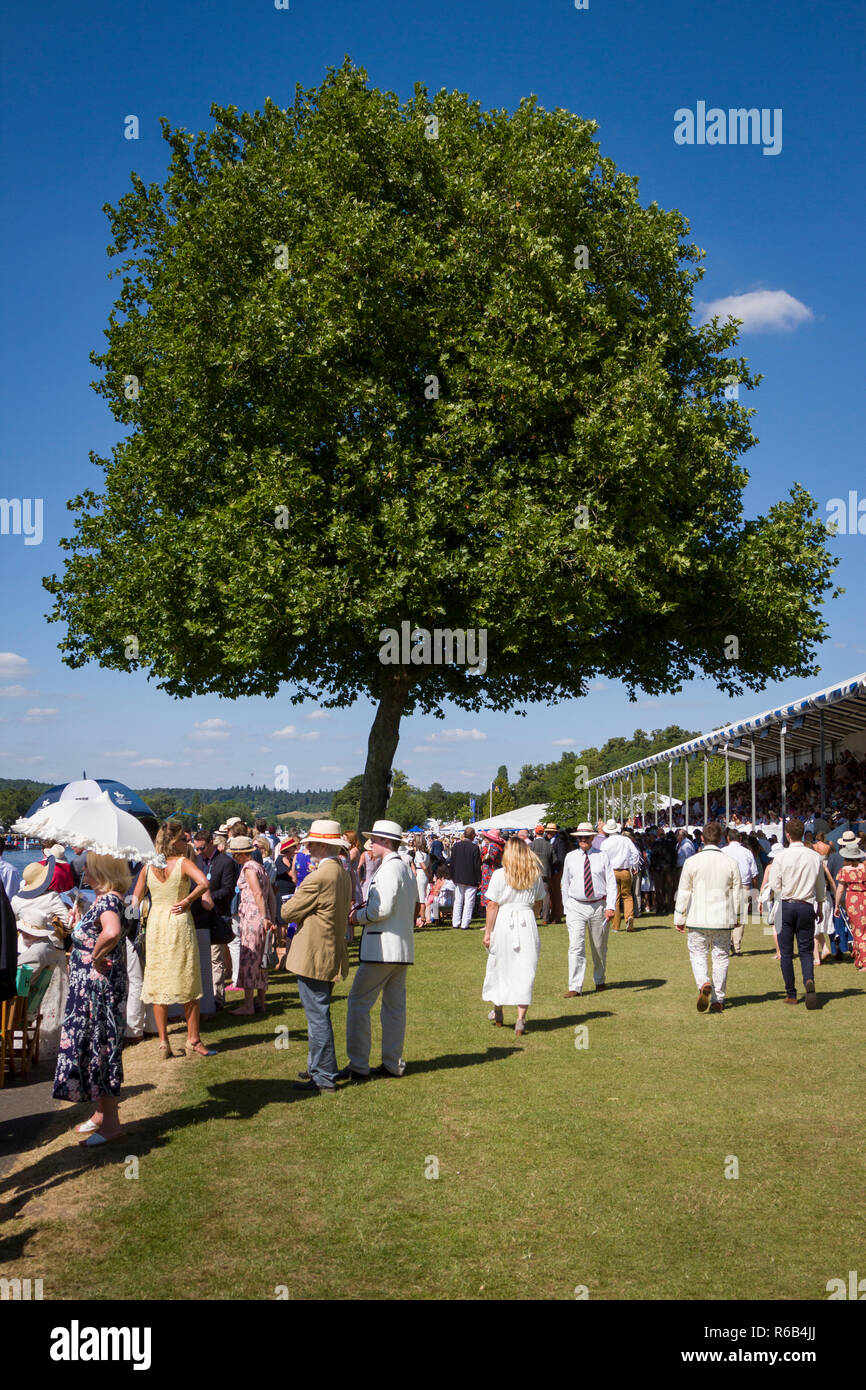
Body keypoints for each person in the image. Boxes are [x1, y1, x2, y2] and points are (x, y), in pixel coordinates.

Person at [52, 852, 131, 1146]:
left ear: (100, 869)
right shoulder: (103, 899)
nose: (83, 868)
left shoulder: (109, 900)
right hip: (94, 988)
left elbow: (111, 931)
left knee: (101, 1049)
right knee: (97, 1047)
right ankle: (101, 1114)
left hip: (98, 991)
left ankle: (111, 1125)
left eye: (88, 864)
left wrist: (96, 955)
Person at [340, 819, 416, 1081]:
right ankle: (392, 1063)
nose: (369, 844)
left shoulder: (389, 870)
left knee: (359, 1003)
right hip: (400, 949)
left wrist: (355, 917)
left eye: (373, 839)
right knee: (394, 1008)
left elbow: (380, 910)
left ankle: (359, 1065)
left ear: (385, 842)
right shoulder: (403, 868)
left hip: (382, 949)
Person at [132, 820, 215, 1057]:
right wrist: (188, 900)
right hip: (178, 920)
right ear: (173, 841)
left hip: (156, 924)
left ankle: (163, 1041)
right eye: (183, 839)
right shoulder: (183, 863)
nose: (186, 842)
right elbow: (204, 883)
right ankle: (193, 1039)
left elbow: (135, 901)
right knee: (187, 977)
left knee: (159, 979)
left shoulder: (148, 867)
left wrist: (135, 913)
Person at [281, 820, 351, 1093]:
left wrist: (296, 898)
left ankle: (323, 1075)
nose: (307, 848)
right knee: (318, 1013)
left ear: (323, 845)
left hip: (315, 954)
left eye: (310, 844)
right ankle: (318, 1068)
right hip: (329, 950)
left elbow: (287, 912)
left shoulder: (320, 876)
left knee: (317, 1016)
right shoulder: (340, 872)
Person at [673, 821, 739, 1013]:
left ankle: (703, 982)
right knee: (721, 958)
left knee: (698, 954)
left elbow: (684, 891)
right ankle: (718, 998)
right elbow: (737, 893)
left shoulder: (692, 862)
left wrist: (679, 918)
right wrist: (738, 916)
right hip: (722, 919)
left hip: (697, 918)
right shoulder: (730, 862)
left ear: (702, 838)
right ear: (721, 839)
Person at [482, 837, 544, 1035]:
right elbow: (539, 902)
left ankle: (498, 1010)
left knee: (500, 965)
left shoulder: (499, 875)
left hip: (504, 921)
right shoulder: (534, 874)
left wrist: (488, 931)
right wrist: (531, 916)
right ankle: (520, 1019)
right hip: (526, 921)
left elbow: (492, 905)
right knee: (526, 968)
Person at [768, 818, 824, 1008]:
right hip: (806, 904)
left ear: (787, 835)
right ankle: (809, 980)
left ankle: (791, 993)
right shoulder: (814, 856)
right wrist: (821, 905)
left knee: (786, 952)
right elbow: (820, 886)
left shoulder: (781, 857)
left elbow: (775, 885)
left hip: (786, 904)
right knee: (806, 951)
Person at [561, 822, 617, 997]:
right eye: (580, 837)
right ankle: (574, 986)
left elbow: (611, 883)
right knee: (575, 946)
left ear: (593, 838)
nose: (583, 840)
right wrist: (566, 907)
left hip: (598, 906)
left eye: (586, 837)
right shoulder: (570, 857)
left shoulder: (602, 856)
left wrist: (610, 906)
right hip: (576, 906)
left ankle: (599, 980)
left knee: (599, 947)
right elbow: (565, 883)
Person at [227, 835, 278, 1016]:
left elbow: (258, 894)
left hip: (253, 918)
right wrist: (270, 917)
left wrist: (263, 917)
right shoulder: (261, 868)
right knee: (262, 959)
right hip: (264, 918)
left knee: (249, 958)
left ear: (240, 854)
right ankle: (261, 1001)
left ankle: (248, 1005)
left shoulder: (249, 868)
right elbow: (270, 896)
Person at [191, 828, 239, 1009]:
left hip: (218, 914)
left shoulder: (225, 862)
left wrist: (207, 895)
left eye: (202, 848)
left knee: (215, 958)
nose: (199, 852)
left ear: (211, 844)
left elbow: (228, 889)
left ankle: (217, 998)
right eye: (197, 848)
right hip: (199, 915)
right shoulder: (197, 861)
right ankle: (204, 997)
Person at [722, 827, 758, 957]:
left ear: (728, 838)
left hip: (726, 886)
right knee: (740, 917)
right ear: (740, 838)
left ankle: (726, 943)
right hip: (744, 886)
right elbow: (754, 873)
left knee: (726, 916)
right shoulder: (747, 852)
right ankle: (736, 947)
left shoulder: (723, 851)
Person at [600, 820, 641, 932]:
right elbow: (636, 853)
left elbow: (602, 858)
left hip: (612, 872)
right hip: (625, 870)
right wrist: (634, 866)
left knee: (615, 898)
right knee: (627, 896)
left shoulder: (605, 843)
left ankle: (616, 925)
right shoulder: (625, 840)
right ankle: (629, 918)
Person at [835, 838, 866, 970]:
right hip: (864, 897)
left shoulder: (845, 870)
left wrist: (836, 905)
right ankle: (859, 957)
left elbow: (840, 889)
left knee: (857, 930)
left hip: (852, 899)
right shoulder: (864, 867)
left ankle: (864, 961)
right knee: (863, 929)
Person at [450, 827, 482, 930]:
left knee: (458, 900)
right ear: (473, 836)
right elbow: (477, 866)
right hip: (471, 877)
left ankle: (456, 922)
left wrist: (452, 876)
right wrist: (479, 879)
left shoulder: (456, 846)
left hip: (458, 877)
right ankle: (464, 924)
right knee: (469, 901)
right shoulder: (474, 848)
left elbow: (452, 863)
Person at [530, 824, 554, 923]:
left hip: (533, 872)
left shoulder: (531, 845)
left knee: (532, 894)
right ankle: (545, 918)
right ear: (543, 832)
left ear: (535, 832)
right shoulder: (549, 845)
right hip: (545, 872)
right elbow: (554, 860)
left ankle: (532, 917)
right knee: (546, 895)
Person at [478, 829, 505, 910]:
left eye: (486, 837)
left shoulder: (492, 846)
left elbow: (489, 858)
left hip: (490, 873)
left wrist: (484, 850)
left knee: (490, 896)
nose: (484, 839)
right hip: (492, 872)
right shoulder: (497, 846)